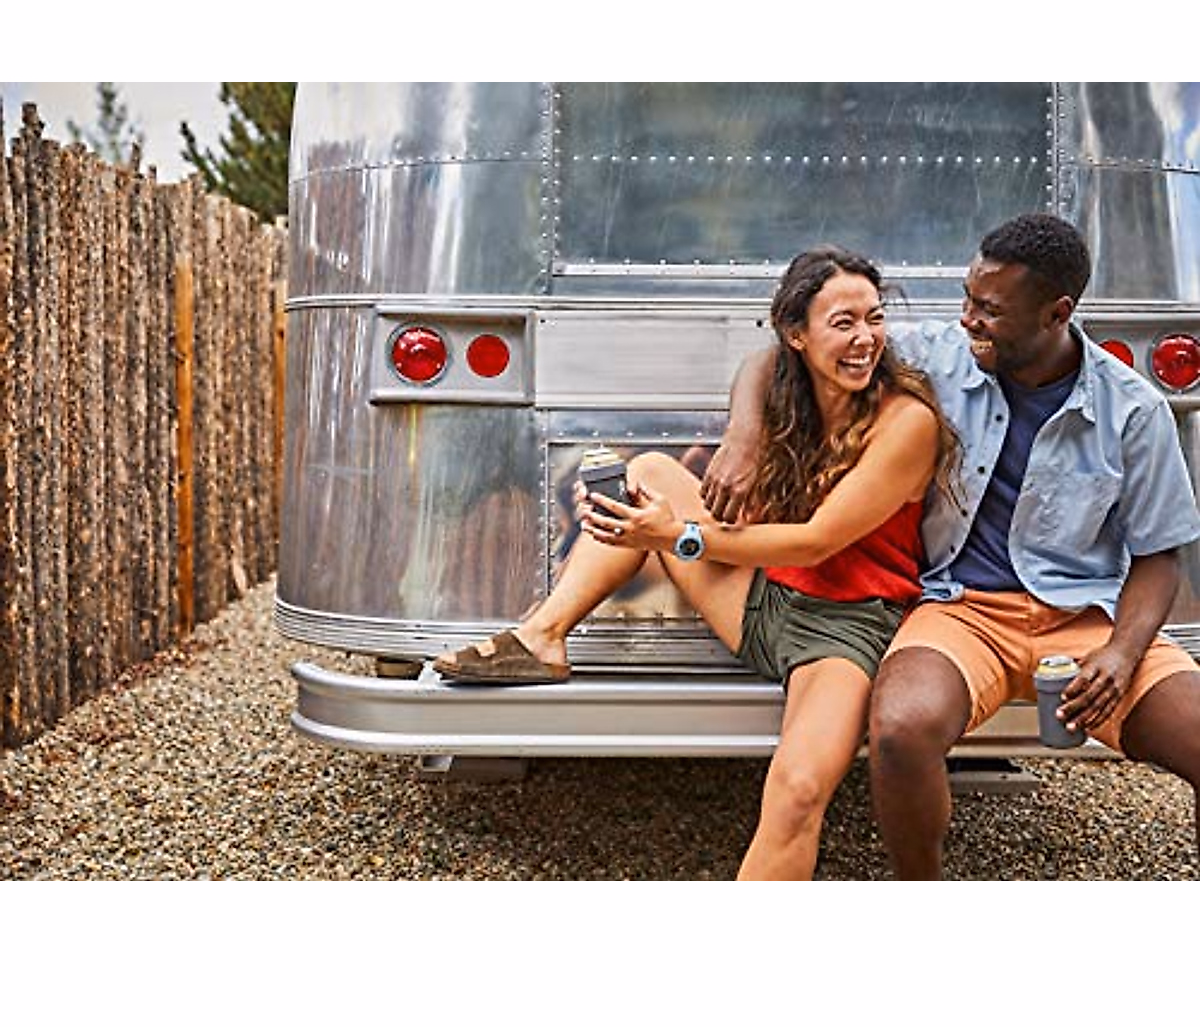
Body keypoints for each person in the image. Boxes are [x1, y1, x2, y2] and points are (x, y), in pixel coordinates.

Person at [435, 246, 957, 879]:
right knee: (649, 474)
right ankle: (542, 637)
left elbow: (815, 542)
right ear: (797, 335)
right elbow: (758, 364)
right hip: (769, 603)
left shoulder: (907, 421)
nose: (865, 339)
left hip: (846, 632)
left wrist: (679, 536)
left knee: (796, 792)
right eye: (842, 322)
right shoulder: (793, 393)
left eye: (874, 319)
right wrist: (726, 447)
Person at [706, 212, 1200, 879]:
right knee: (899, 732)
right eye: (969, 298)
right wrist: (743, 435)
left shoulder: (1133, 409)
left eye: (990, 310)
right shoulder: (941, 354)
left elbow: (1159, 556)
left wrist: (1121, 654)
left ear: (1056, 314)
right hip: (960, 610)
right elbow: (777, 353)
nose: (968, 319)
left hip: (1087, 619)